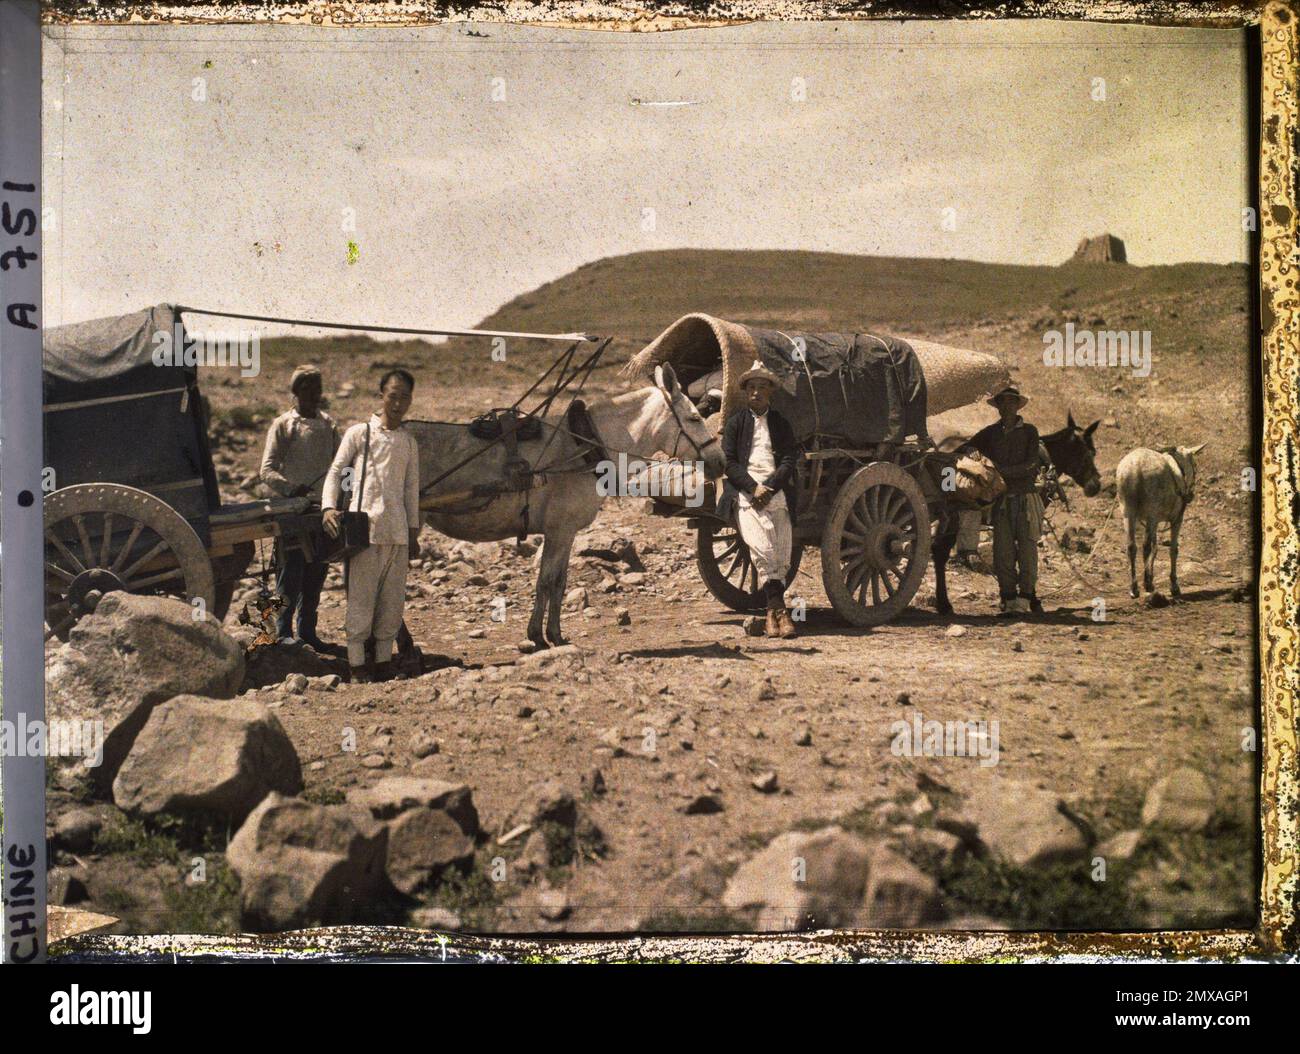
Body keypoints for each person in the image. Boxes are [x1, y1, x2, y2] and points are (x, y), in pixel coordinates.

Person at [321, 369, 421, 682]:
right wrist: (328, 507)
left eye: (404, 397)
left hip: (397, 532)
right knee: (361, 601)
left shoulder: (407, 442)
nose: (398, 403)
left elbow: (410, 488)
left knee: (392, 602)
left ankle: (382, 662)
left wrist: (413, 530)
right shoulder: (359, 433)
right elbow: (337, 471)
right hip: (364, 529)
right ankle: (356, 665)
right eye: (393, 395)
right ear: (381, 395)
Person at [259, 364, 339, 649]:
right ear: (296, 392)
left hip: (323, 511)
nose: (313, 394)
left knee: (317, 572)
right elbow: (266, 471)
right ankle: (282, 634)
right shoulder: (284, 425)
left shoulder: (329, 425)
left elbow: (340, 467)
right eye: (306, 389)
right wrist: (292, 489)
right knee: (289, 573)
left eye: (317, 388)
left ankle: (307, 633)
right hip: (292, 512)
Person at [719, 360, 799, 639]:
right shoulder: (735, 424)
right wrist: (754, 488)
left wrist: (771, 487)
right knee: (763, 550)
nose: (756, 393)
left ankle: (772, 614)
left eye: (761, 388)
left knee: (781, 551)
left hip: (776, 492)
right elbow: (728, 463)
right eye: (751, 388)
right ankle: (780, 612)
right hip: (746, 494)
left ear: (770, 392)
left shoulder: (780, 423)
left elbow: (789, 458)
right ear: (745, 392)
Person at [968, 385, 1045, 615]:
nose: (1006, 407)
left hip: (1025, 499)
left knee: (1027, 549)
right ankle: (1008, 597)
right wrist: (973, 452)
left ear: (1017, 406)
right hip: (1001, 501)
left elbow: (1032, 464)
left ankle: (1026, 596)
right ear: (999, 407)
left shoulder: (1030, 432)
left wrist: (1000, 473)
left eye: (1011, 402)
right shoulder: (991, 433)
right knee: (1003, 551)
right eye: (1002, 403)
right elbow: (970, 444)